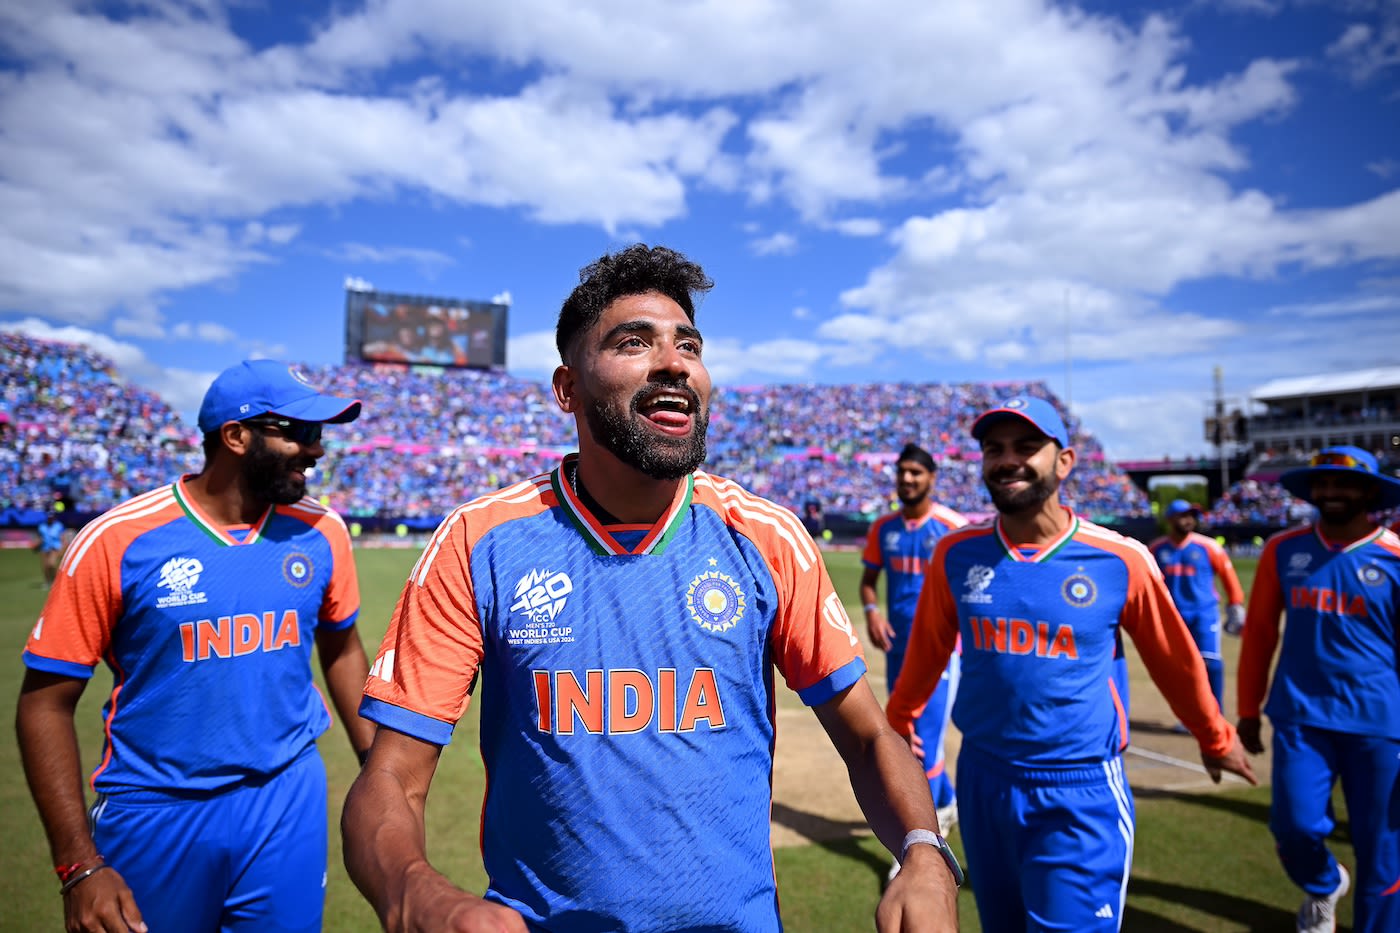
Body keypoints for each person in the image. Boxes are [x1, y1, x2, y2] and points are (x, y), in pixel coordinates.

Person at [342, 244, 960, 932]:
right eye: (633, 341)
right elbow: (392, 775)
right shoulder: (477, 541)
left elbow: (869, 736)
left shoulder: (767, 537)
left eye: (688, 344)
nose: (674, 361)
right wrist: (412, 892)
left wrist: (924, 850)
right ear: (568, 388)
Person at [17, 360, 376, 933]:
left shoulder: (323, 530)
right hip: (156, 809)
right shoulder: (118, 540)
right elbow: (44, 703)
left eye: (321, 434)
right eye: (301, 433)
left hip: (288, 798)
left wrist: (375, 765)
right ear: (236, 437)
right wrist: (79, 866)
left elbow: (342, 648)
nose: (317, 450)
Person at [887, 396, 1255, 932]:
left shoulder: (1121, 558)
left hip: (1077, 789)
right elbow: (924, 656)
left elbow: (1174, 659)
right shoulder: (956, 553)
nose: (1008, 459)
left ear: (1064, 461)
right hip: (983, 777)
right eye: (994, 449)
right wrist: (898, 728)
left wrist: (1215, 737)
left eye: (1027, 447)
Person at [1237, 446, 1400, 933]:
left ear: (1370, 492)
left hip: (1381, 725)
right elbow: (1261, 632)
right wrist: (1248, 710)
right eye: (1322, 483)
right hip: (1300, 718)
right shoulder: (1283, 549)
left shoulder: (1394, 556)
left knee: (1384, 853)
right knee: (1294, 828)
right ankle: (1325, 882)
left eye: (1343, 483)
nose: (1330, 492)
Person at [861, 443, 967, 854]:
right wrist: (872, 610)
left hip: (940, 651)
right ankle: (947, 805)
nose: (907, 479)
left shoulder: (952, 527)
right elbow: (869, 580)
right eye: (902, 472)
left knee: (921, 744)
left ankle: (925, 848)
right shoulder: (883, 528)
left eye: (916, 473)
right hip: (898, 647)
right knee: (908, 737)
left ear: (932, 478)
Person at [1148, 499, 1246, 713]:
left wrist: (1235, 605)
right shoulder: (1157, 549)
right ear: (1170, 519)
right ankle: (1191, 714)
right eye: (1183, 516)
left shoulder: (1208, 547)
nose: (1188, 520)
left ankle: (1215, 713)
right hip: (1173, 616)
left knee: (1210, 662)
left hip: (1205, 613)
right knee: (1181, 668)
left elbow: (1228, 577)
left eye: (1191, 516)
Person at [34, 508, 69, 589]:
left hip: (55, 547)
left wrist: (63, 547)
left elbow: (62, 537)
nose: (50, 519)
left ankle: (54, 580)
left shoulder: (59, 525)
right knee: (45, 566)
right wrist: (37, 544)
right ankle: (47, 581)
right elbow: (39, 537)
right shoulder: (42, 526)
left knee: (51, 564)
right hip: (45, 547)